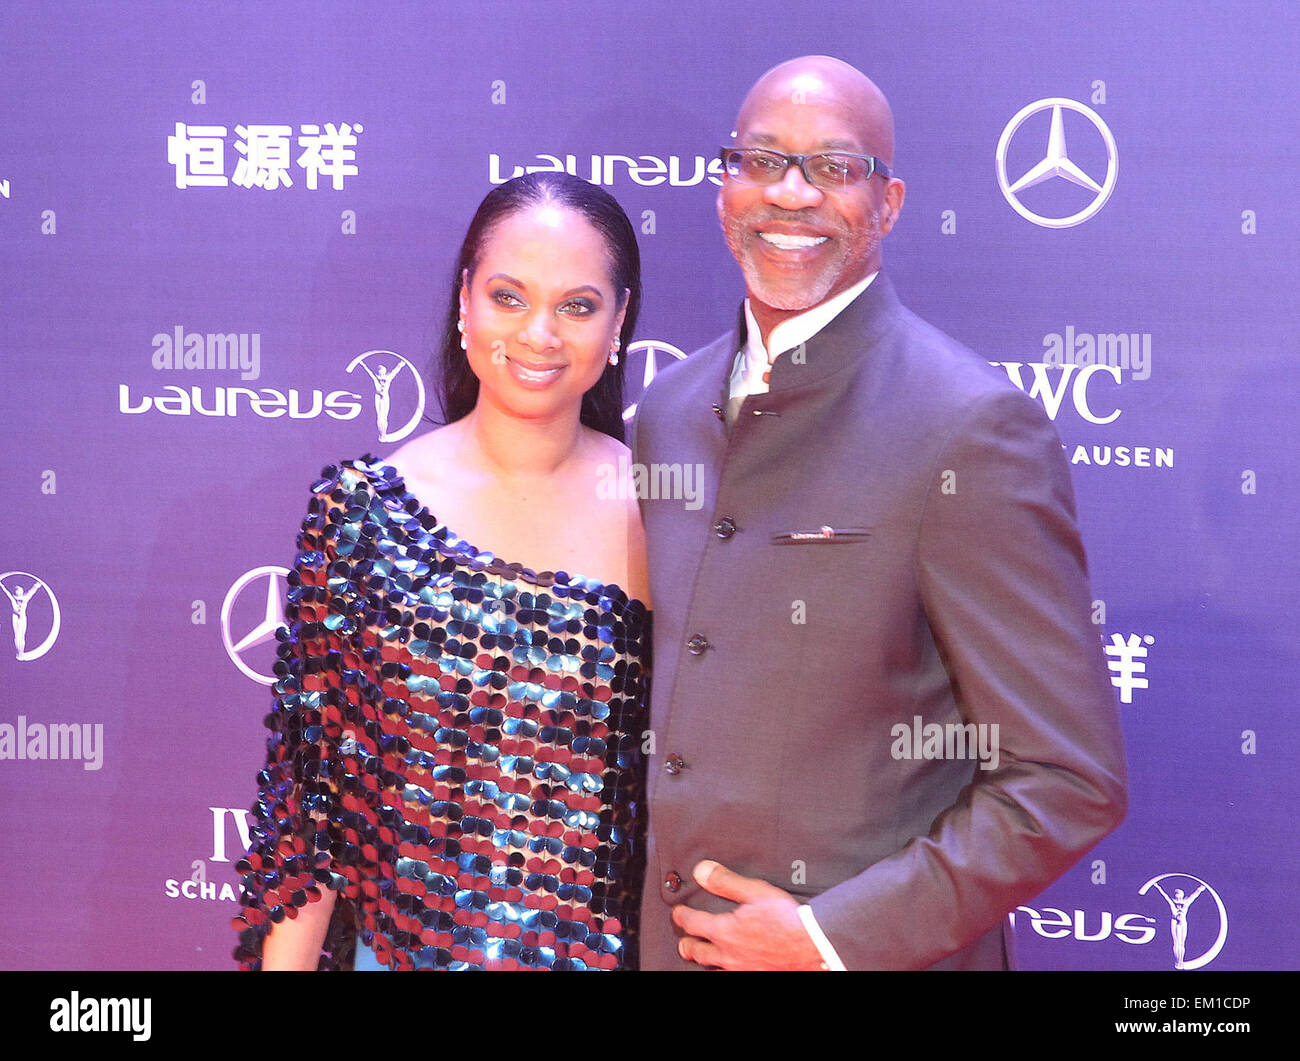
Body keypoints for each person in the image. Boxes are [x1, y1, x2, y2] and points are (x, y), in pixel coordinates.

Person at [631, 56, 1128, 970]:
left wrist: (831, 937)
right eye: (760, 161)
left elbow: (1066, 779)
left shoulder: (970, 427)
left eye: (834, 167)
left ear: (889, 203)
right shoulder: (666, 410)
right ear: (723, 187)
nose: (790, 193)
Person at [232, 171, 652, 970]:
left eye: (577, 305)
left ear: (619, 321)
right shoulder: (363, 515)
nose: (538, 333)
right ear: (464, 300)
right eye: (508, 296)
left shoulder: (670, 515)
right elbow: (310, 820)